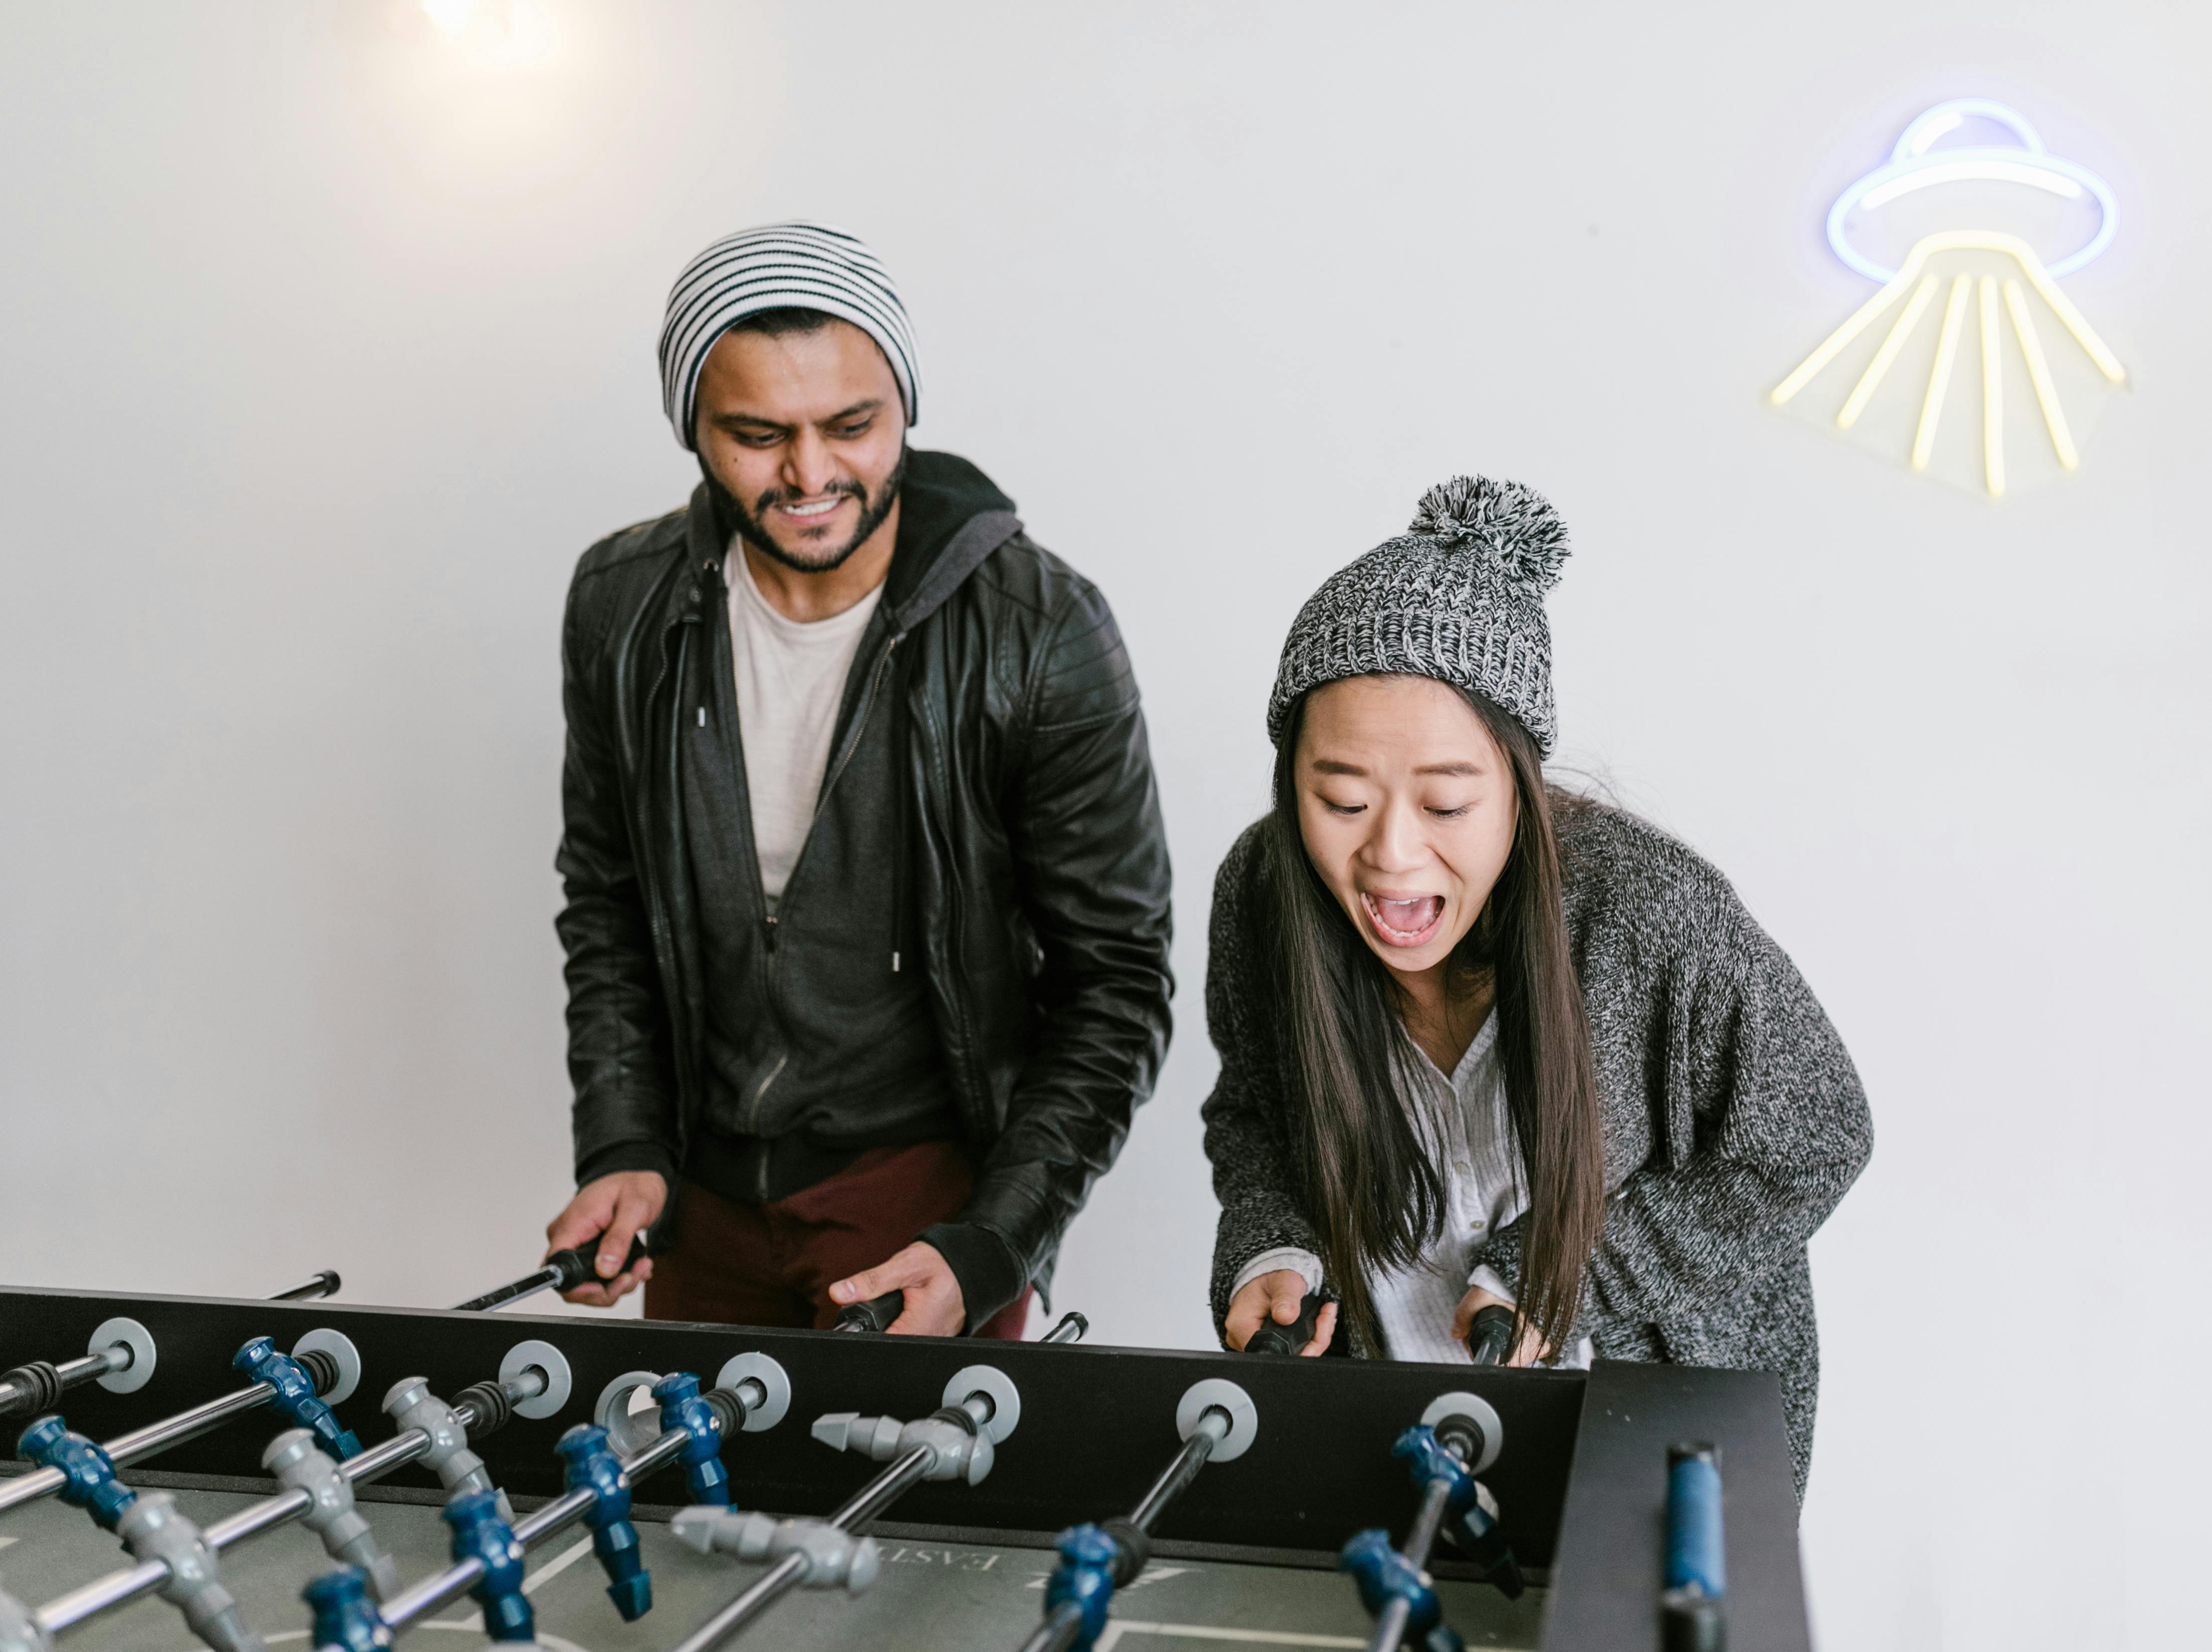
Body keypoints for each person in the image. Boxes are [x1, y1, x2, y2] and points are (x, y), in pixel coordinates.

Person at [546, 223, 1174, 1337]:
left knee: (914, 1515)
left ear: (906, 411)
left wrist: (992, 1242)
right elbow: (606, 906)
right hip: (699, 1207)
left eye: (851, 425)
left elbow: (1114, 984)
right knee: (691, 1513)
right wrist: (625, 1144)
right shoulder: (619, 603)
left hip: (924, 1206)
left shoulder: (1041, 631)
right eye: (755, 434)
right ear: (691, 427)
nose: (809, 474)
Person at [1203, 476, 1870, 1491]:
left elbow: (1816, 1135)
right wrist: (1270, 1246)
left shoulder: (1651, 914)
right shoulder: (1261, 892)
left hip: (1647, 1453)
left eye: (1445, 803)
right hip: (1392, 1445)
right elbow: (1253, 1116)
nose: (1391, 856)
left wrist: (1558, 1279)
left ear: (1521, 788)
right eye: (1339, 799)